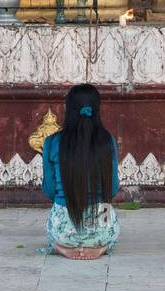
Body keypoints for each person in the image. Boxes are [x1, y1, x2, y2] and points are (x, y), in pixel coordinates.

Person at [40, 83, 120, 259]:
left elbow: (50, 189)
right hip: (101, 230)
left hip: (63, 233)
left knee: (52, 226)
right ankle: (100, 248)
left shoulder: (51, 142)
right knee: (109, 216)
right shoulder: (108, 141)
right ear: (97, 109)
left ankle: (62, 248)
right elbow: (113, 189)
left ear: (67, 109)